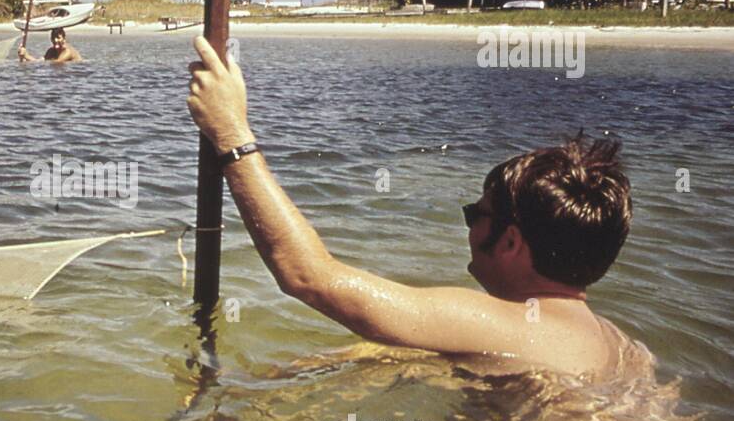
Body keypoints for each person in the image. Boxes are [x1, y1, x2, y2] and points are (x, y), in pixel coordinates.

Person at [185, 35, 639, 378]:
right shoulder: (624, 351)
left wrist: (231, 134)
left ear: (511, 241)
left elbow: (308, 277)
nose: (468, 228)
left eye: (474, 214)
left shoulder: (500, 324)